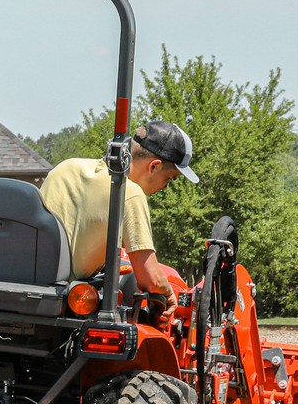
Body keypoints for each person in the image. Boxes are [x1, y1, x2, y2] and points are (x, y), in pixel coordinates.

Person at [38, 120, 200, 298]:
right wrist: (169, 294)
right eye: (169, 178)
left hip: (30, 286)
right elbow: (151, 279)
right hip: (67, 301)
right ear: (154, 166)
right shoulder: (128, 193)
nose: (165, 187)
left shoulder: (66, 167)